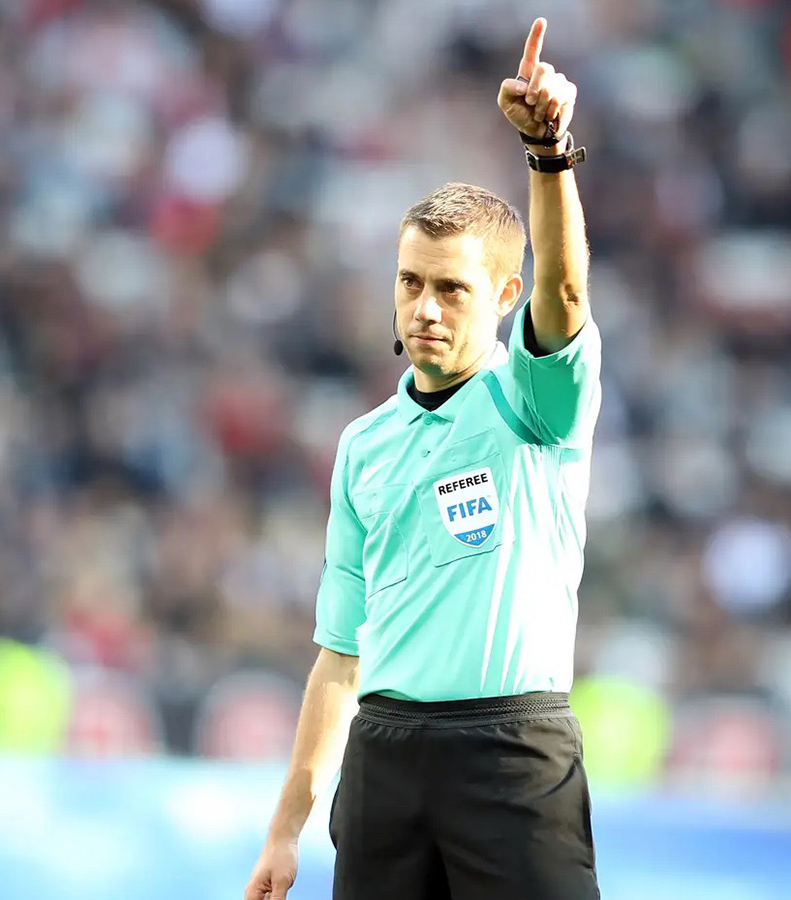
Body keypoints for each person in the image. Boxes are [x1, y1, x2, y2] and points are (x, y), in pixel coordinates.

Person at [244, 17, 601, 900]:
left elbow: (565, 292)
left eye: (452, 288)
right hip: (386, 765)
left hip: (513, 757)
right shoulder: (364, 447)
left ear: (503, 295)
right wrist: (288, 827)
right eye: (411, 283)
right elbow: (339, 653)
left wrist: (549, 156)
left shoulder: (533, 404)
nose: (427, 309)